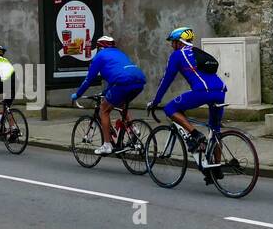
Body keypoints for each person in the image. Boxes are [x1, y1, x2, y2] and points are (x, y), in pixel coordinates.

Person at [147, 28, 227, 156]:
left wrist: (155, 101)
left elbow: (166, 80)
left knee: (170, 108)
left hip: (202, 92)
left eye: (173, 42)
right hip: (221, 90)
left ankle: (196, 135)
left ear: (179, 42)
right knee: (215, 131)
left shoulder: (177, 55)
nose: (172, 46)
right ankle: (216, 169)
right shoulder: (197, 52)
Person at [69, 36, 146, 155]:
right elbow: (115, 77)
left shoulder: (100, 56)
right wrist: (105, 92)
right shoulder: (119, 53)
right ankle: (133, 129)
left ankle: (107, 145)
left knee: (104, 110)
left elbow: (88, 80)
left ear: (100, 47)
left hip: (122, 83)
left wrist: (78, 94)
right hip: (139, 81)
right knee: (121, 103)